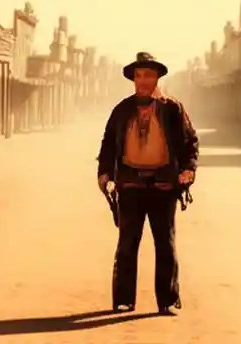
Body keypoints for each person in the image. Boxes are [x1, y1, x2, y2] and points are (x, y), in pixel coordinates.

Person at [97, 52, 199, 315]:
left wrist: (188, 170)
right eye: (139, 75)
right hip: (130, 185)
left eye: (148, 75)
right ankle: (124, 299)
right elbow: (108, 144)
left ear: (157, 77)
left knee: (165, 244)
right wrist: (105, 173)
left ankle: (167, 300)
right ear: (133, 79)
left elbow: (190, 143)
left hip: (164, 186)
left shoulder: (172, 109)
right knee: (127, 244)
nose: (143, 80)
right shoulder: (122, 110)